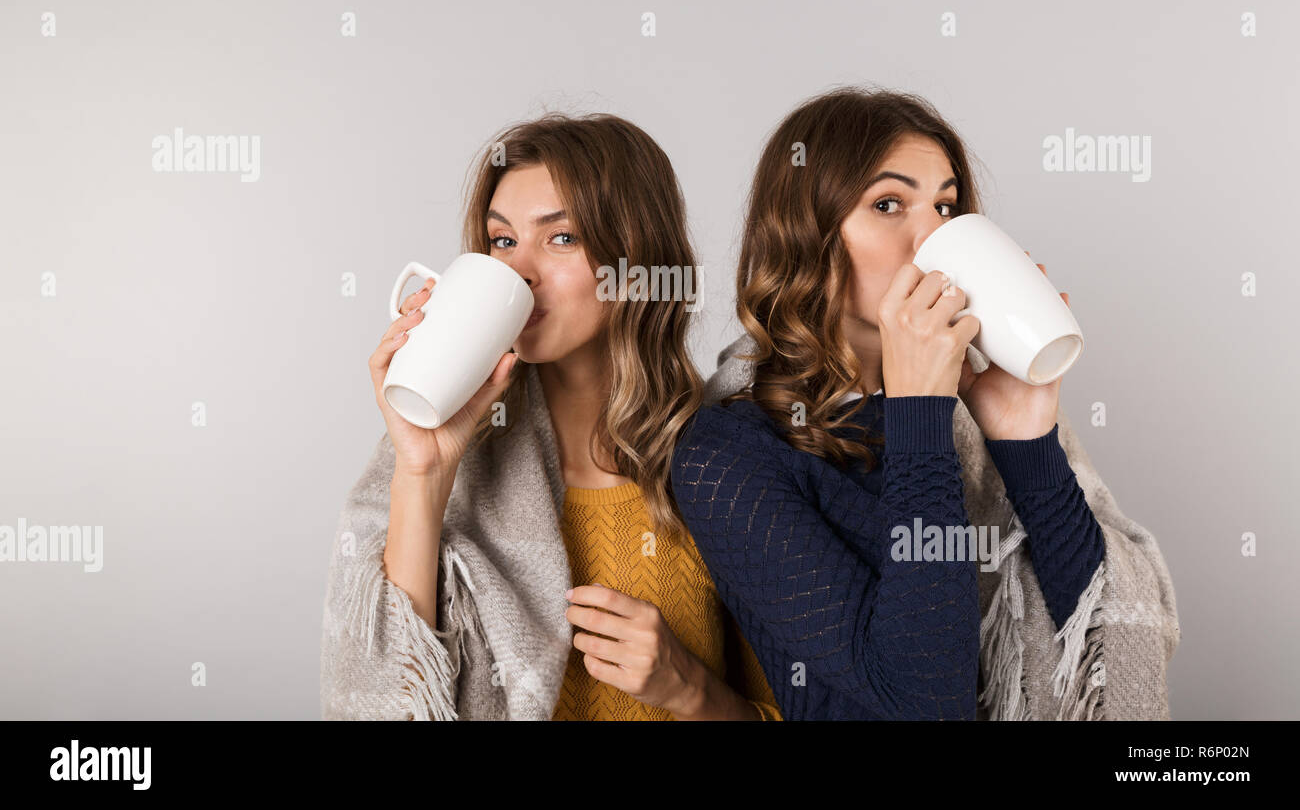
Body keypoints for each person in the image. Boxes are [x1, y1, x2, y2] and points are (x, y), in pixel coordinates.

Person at [670, 86, 1179, 720]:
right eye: (888, 203)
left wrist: (1026, 443)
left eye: (945, 206)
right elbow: (924, 701)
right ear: (807, 235)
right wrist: (918, 417)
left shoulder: (965, 413)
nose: (931, 237)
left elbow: (1102, 650)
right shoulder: (726, 452)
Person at [321, 111, 781, 720]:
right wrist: (424, 474)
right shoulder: (441, 461)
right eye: (503, 240)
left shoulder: (727, 459)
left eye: (561, 238)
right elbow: (383, 709)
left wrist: (690, 690)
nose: (518, 271)